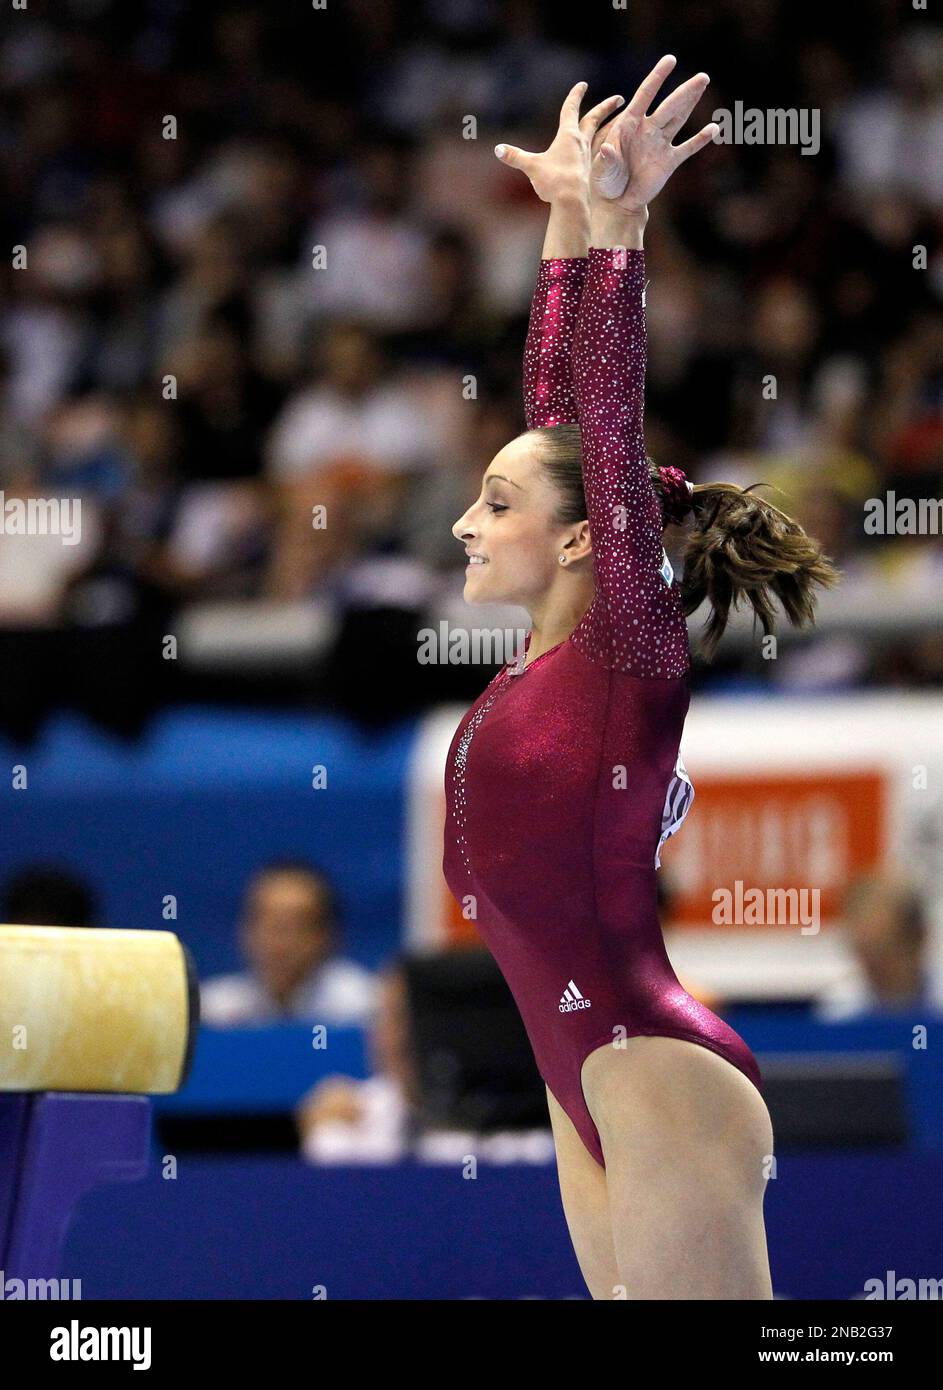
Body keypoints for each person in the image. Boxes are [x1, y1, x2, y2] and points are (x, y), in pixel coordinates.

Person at [443, 61, 839, 1300]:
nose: (464, 522)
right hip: (582, 1077)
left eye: (493, 503)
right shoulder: (551, 660)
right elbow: (563, 424)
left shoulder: (625, 646)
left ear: (579, 538)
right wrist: (567, 221)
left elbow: (596, 435)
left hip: (651, 1064)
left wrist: (620, 226)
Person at [200, 859, 377, 1026]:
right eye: (269, 924)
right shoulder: (211, 1012)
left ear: (329, 935)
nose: (281, 942)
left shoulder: (365, 1009)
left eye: (297, 925)